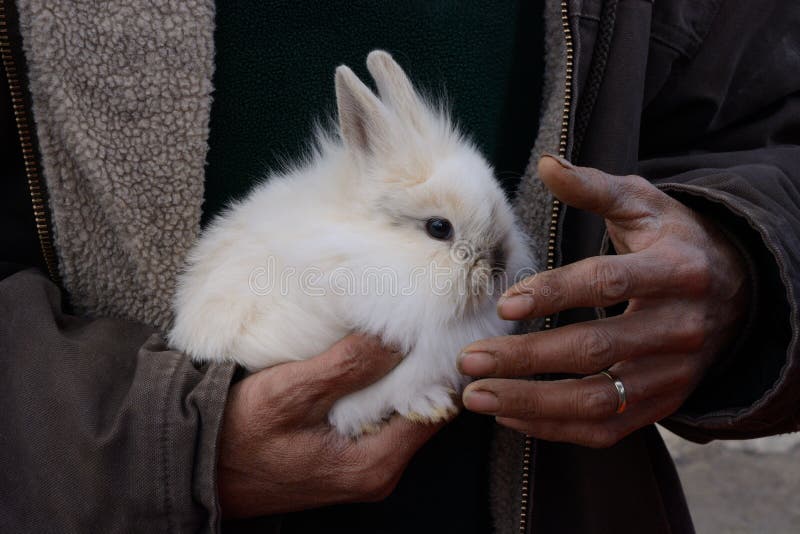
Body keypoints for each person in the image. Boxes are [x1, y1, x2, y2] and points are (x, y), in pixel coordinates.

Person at [1, 1, 798, 533]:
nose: (493, 262)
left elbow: (767, 121)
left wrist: (745, 260)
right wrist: (163, 448)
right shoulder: (333, 249)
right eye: (443, 232)